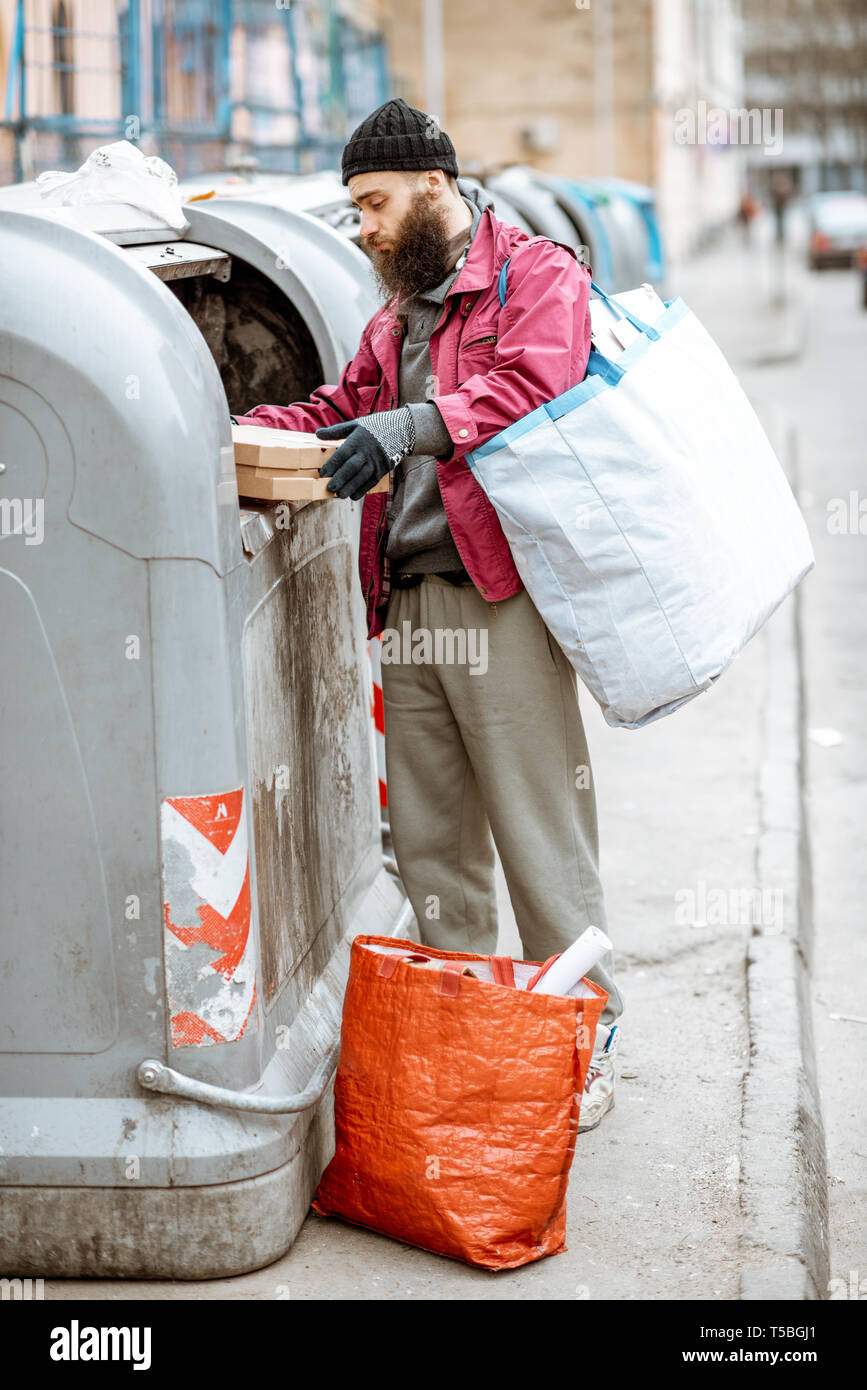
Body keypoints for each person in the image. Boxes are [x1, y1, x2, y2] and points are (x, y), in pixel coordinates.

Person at [234, 97, 624, 1130]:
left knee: (540, 839)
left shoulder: (535, 274)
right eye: (357, 207)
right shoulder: (394, 316)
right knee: (437, 853)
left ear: (435, 188)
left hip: (496, 602)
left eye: (373, 202)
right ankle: (475, 1054)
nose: (361, 225)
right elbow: (333, 411)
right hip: (404, 609)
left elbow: (532, 382)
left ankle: (585, 1041)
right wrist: (226, 424)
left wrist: (409, 425)